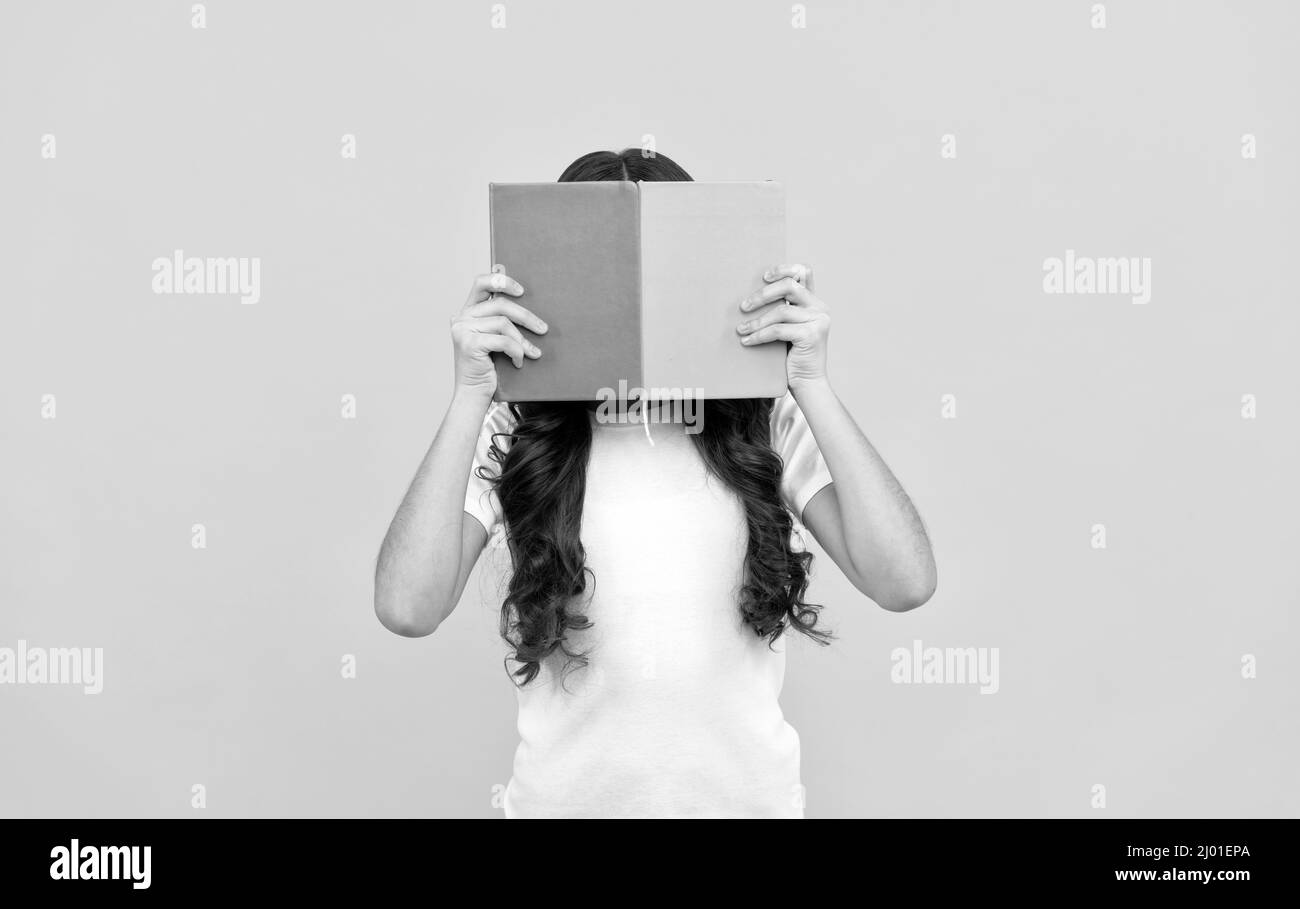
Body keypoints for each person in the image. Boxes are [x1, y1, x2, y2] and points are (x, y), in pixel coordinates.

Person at [374, 148, 937, 818]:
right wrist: (472, 392)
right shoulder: (513, 429)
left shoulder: (763, 421)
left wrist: (810, 382)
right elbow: (408, 606)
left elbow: (904, 581)